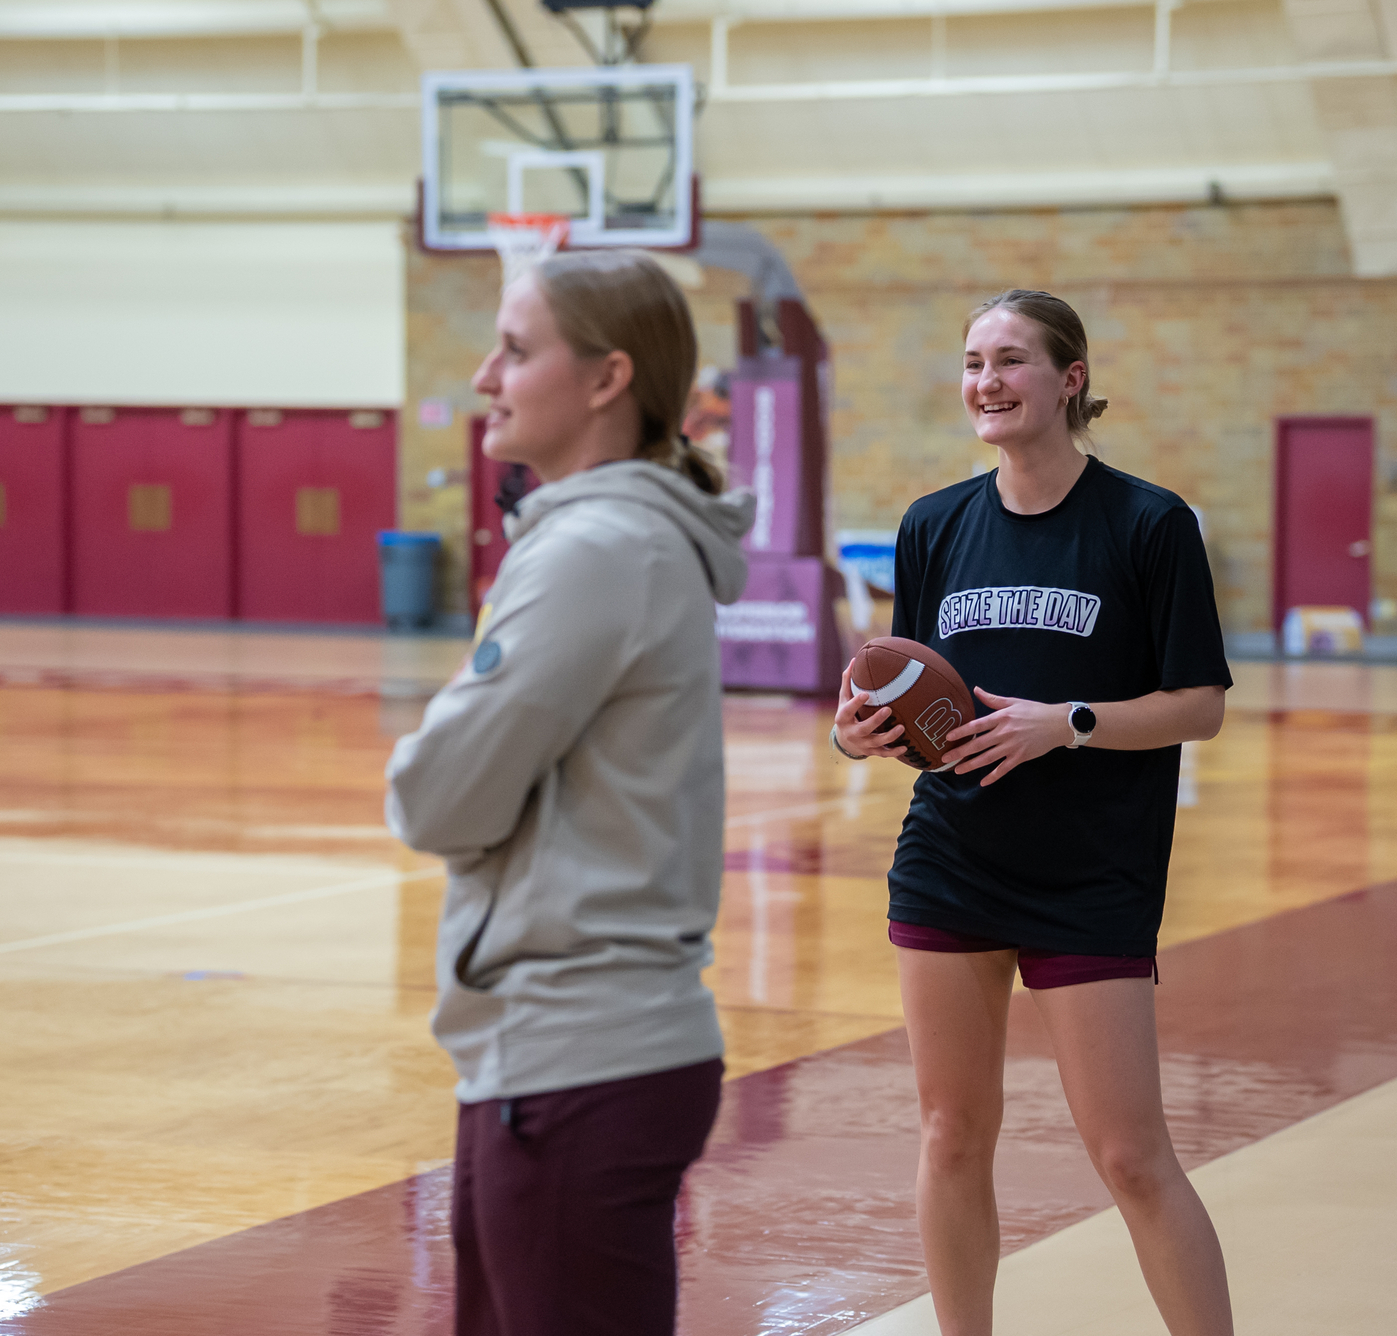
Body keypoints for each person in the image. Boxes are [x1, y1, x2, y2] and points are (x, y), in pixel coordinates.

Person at [831, 289, 1235, 1335]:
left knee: (1129, 1154)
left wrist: (1070, 723)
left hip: (1090, 872)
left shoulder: (1149, 525)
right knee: (948, 1132)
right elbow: (914, 693)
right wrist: (857, 733)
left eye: (1010, 359)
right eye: (972, 361)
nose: (986, 381)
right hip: (950, 857)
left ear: (1070, 379)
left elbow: (1200, 705)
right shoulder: (933, 525)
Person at [385, 251, 753, 1336]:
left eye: (514, 346)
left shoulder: (596, 549)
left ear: (605, 380)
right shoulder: (610, 539)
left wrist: (439, 750)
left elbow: (434, 799)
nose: (485, 372)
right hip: (555, 1052)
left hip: (579, 1055)